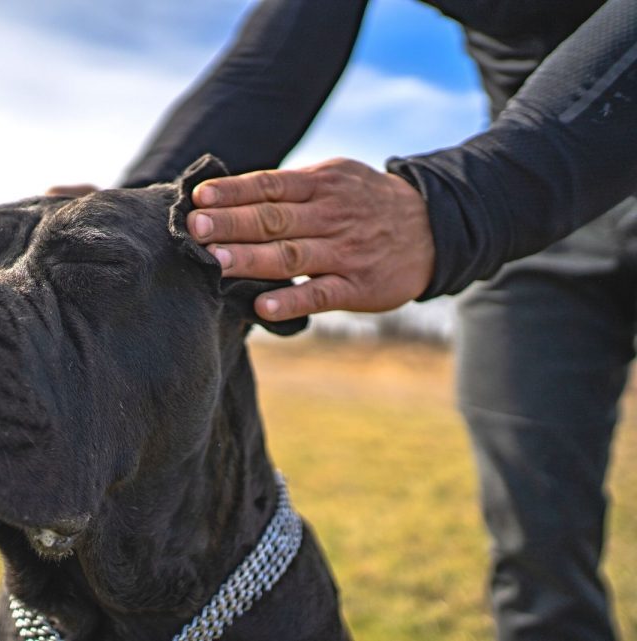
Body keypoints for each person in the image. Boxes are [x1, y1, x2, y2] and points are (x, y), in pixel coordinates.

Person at [77, 1, 635, 639]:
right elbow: (271, 68)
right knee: (539, 554)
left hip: (515, 187)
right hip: (537, 234)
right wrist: (132, 224)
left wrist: (455, 208)